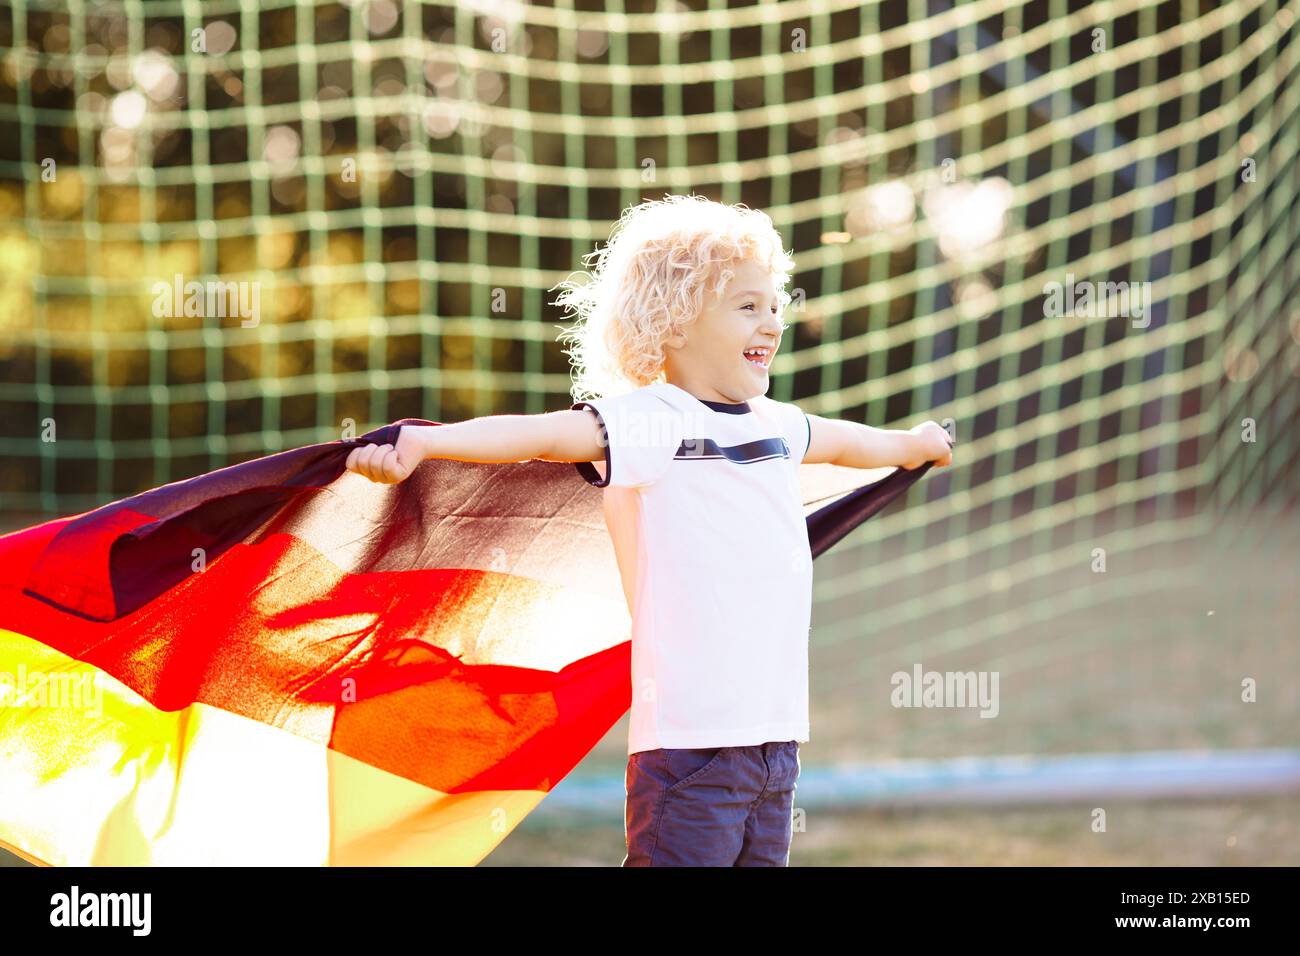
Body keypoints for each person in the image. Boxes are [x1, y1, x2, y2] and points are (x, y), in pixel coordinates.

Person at [345, 194, 953, 866]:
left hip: (775, 745)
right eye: (747, 306)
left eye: (774, 305)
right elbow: (544, 436)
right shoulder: (654, 420)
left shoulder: (774, 424)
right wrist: (426, 446)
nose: (773, 322)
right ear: (675, 321)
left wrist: (910, 443)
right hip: (692, 750)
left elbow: (845, 445)